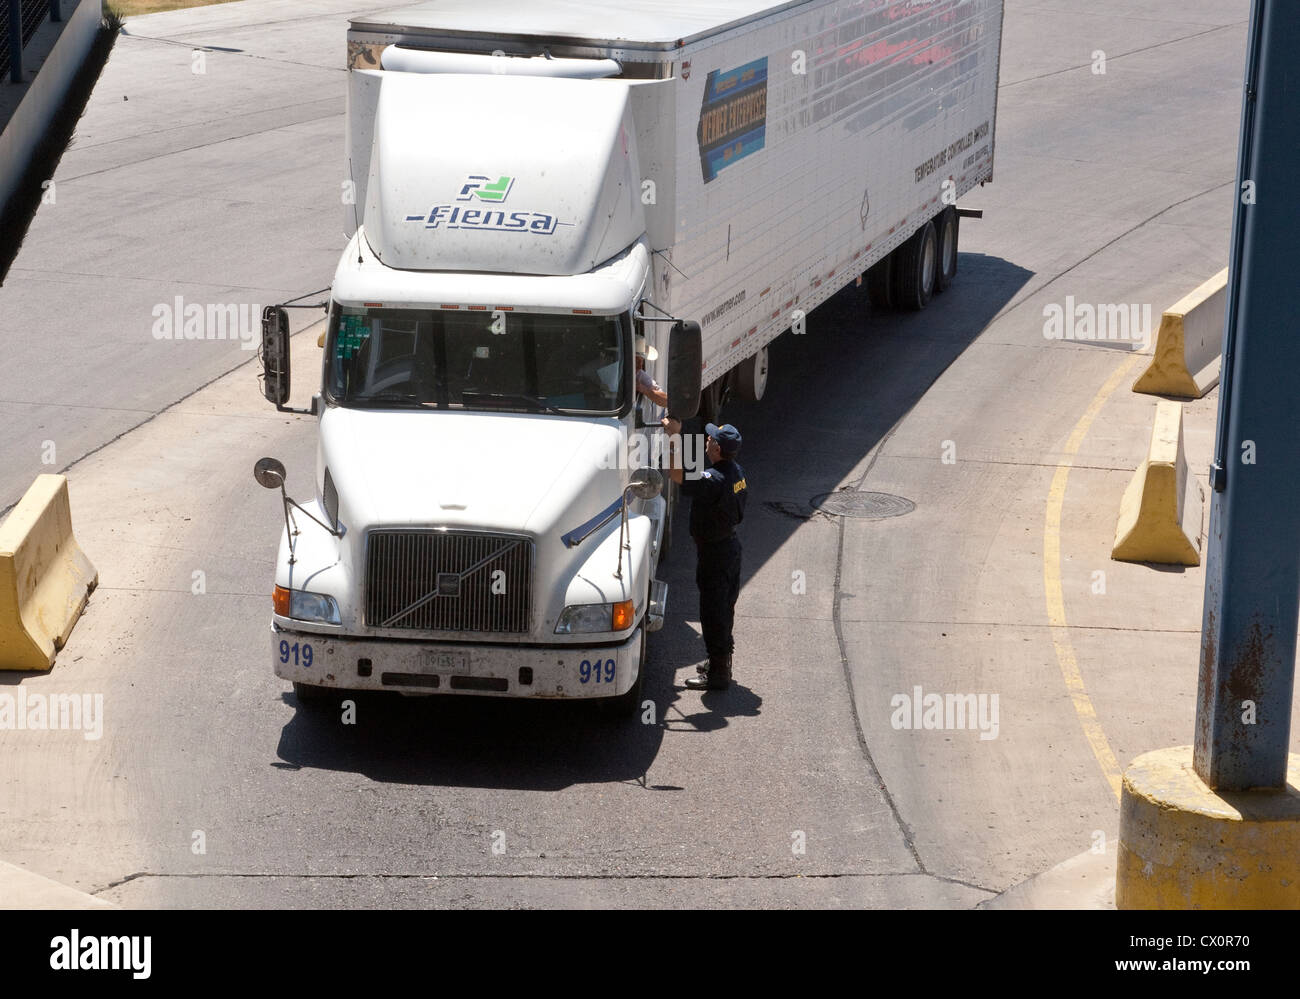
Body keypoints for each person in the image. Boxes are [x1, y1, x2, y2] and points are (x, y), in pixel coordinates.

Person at [661, 417, 747, 690]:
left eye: (710, 440)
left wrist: (674, 437)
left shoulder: (714, 479)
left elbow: (677, 476)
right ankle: (721, 662)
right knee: (724, 608)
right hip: (730, 548)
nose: (707, 441)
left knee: (712, 613)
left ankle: (719, 675)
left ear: (718, 450)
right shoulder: (737, 472)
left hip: (715, 554)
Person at [635, 335, 668, 409]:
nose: (640, 366)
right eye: (636, 360)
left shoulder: (639, 374)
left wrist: (643, 388)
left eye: (642, 361)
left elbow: (666, 401)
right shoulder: (607, 371)